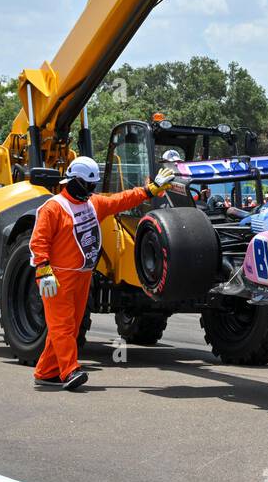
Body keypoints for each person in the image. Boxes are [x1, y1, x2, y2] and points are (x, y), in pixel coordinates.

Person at [30, 156, 175, 391]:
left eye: (92, 186)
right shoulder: (53, 207)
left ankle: (46, 371)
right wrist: (43, 269)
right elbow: (39, 241)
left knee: (70, 326)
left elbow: (121, 200)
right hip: (57, 278)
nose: (90, 190)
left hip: (82, 275)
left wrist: (150, 190)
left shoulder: (93, 204)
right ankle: (69, 371)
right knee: (62, 326)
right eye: (87, 185)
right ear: (74, 181)